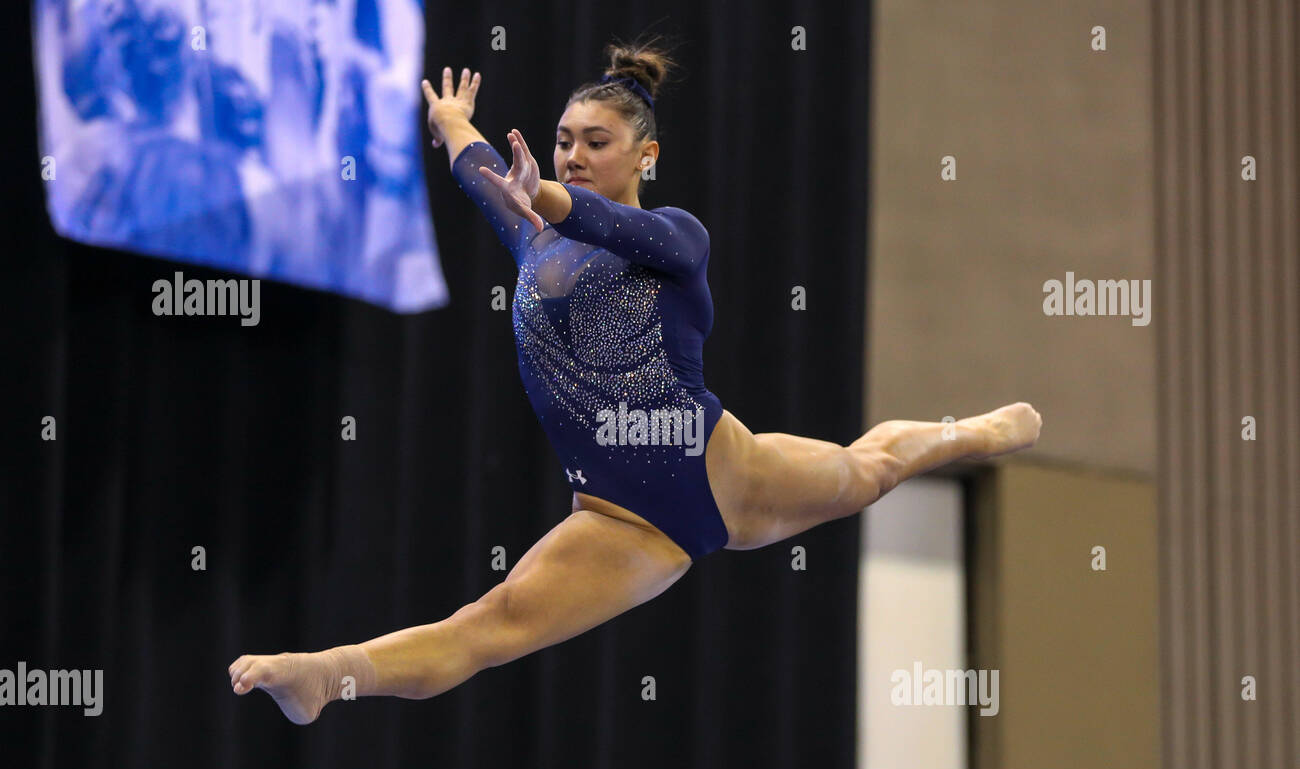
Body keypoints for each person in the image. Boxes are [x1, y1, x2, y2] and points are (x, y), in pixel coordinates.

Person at [229, 40, 1041, 725]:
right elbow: (480, 172)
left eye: (596, 142)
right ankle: (326, 672)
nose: (574, 155)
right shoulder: (534, 239)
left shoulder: (675, 238)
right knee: (488, 625)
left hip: (720, 470)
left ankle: (971, 434)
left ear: (645, 154)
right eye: (563, 139)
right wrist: (451, 122)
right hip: (619, 519)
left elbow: (595, 218)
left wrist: (540, 190)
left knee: (869, 470)